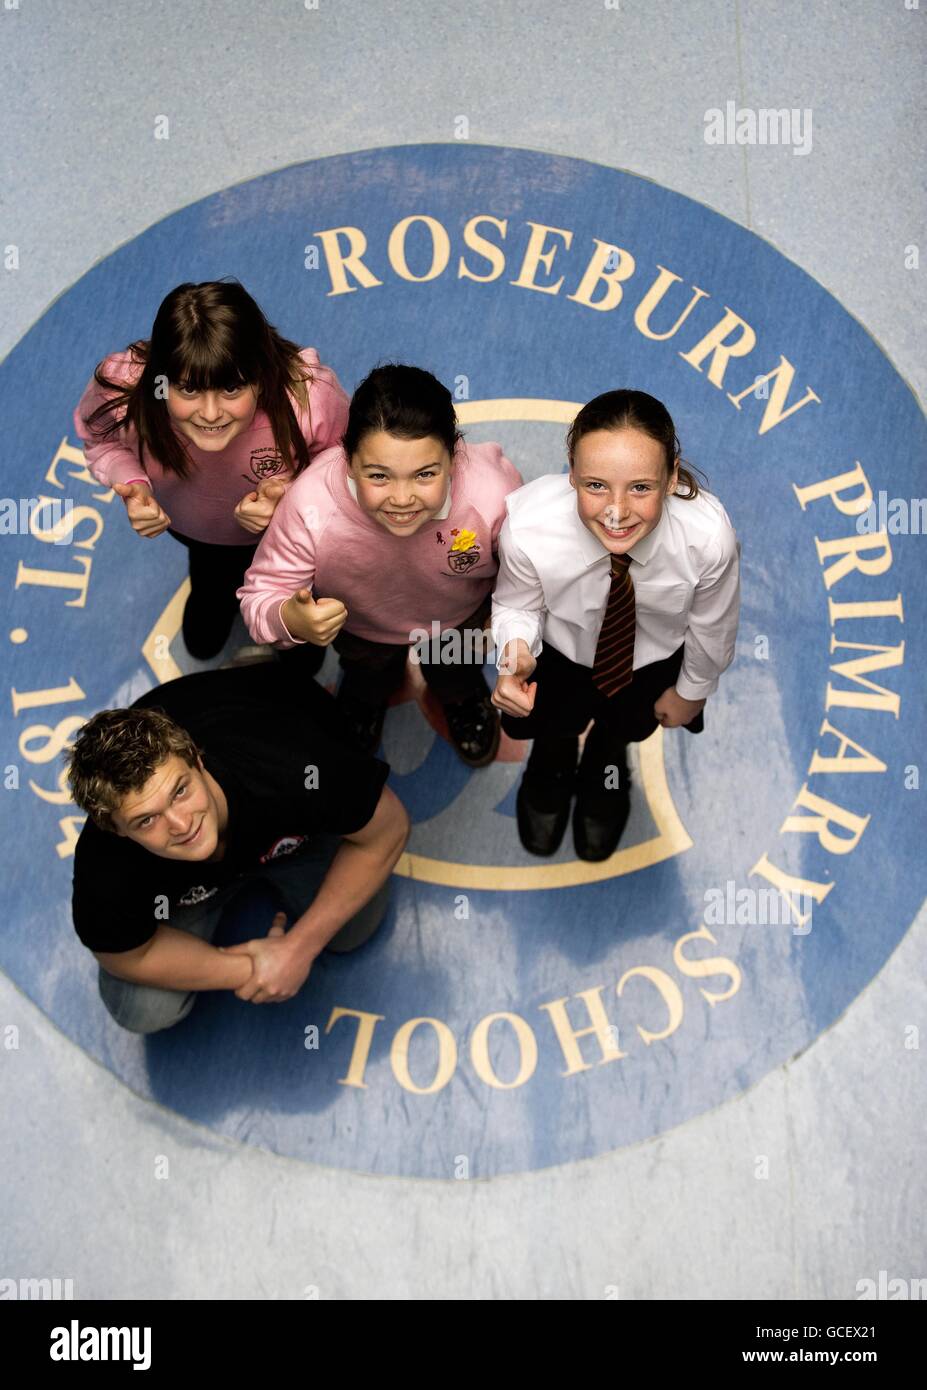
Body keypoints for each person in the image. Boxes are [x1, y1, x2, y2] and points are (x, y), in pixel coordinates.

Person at [64, 664, 409, 1034]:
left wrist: (300, 947)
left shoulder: (296, 766)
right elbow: (125, 955)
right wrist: (251, 969)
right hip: (211, 872)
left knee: (353, 929)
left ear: (197, 759)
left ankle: (253, 661)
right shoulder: (105, 861)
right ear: (114, 828)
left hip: (275, 769)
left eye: (180, 791)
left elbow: (389, 829)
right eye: (146, 820)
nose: (182, 825)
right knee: (141, 1009)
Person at [491, 388, 741, 861]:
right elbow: (515, 604)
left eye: (641, 487)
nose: (616, 511)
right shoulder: (529, 525)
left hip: (649, 664)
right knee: (552, 725)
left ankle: (607, 761)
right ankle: (552, 759)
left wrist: (692, 690)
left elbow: (713, 625)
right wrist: (515, 650)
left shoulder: (708, 539)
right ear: (571, 471)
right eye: (596, 485)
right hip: (559, 658)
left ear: (670, 477)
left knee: (623, 726)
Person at [238, 364, 523, 766]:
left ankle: (461, 697)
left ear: (454, 456)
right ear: (348, 459)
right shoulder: (310, 505)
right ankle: (366, 699)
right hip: (361, 629)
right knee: (368, 676)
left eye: (425, 474)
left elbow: (524, 572)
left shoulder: (493, 494)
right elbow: (260, 595)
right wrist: (289, 618)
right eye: (379, 476)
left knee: (456, 670)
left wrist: (510, 616)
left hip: (459, 620)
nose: (402, 498)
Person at [73, 280, 349, 661]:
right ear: (159, 381)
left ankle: (290, 635)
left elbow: (343, 463)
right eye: (187, 390)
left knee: (300, 641)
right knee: (208, 591)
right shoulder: (124, 389)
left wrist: (290, 497)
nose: (210, 413)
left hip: (287, 541)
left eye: (232, 389)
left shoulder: (309, 397)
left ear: (262, 374)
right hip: (195, 534)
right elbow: (99, 440)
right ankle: (210, 593)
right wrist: (132, 481)